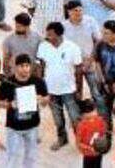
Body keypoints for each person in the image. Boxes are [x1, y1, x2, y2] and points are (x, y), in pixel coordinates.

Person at [36, 21, 82, 151]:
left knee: (75, 118)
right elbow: (41, 66)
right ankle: (62, 139)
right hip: (51, 90)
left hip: (69, 90)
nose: (47, 37)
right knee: (57, 119)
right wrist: (41, 89)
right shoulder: (43, 46)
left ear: (59, 35)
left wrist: (79, 90)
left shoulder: (72, 47)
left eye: (50, 34)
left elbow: (79, 69)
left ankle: (80, 141)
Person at [0, 53, 49, 168]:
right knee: (12, 157)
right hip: (14, 128)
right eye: (22, 66)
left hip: (32, 127)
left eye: (27, 66)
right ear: (16, 67)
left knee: (31, 157)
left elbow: (47, 99)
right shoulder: (7, 83)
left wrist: (42, 99)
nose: (25, 69)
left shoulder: (38, 82)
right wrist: (10, 104)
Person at [75, 98, 108, 167]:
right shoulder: (81, 126)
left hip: (98, 152)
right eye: (92, 111)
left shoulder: (101, 121)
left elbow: (104, 133)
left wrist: (103, 144)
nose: (95, 112)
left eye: (94, 110)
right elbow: (79, 143)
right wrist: (89, 148)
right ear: (84, 114)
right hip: (88, 154)